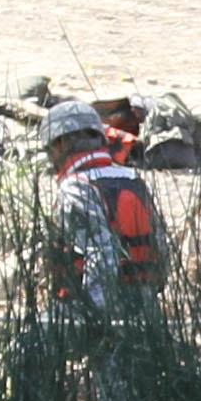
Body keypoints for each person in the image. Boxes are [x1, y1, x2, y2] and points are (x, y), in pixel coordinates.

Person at [38, 101, 166, 307]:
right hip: (146, 304)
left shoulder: (76, 187)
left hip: (92, 310)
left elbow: (102, 256)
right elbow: (161, 247)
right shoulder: (134, 179)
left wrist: (97, 315)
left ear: (59, 145)